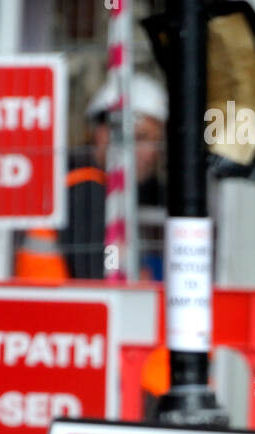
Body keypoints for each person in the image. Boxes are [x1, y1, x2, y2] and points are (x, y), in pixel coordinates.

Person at [58, 72, 167, 281]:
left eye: (156, 141)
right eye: (140, 138)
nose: (150, 153)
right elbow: (99, 273)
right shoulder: (85, 187)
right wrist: (137, 279)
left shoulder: (105, 189)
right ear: (101, 133)